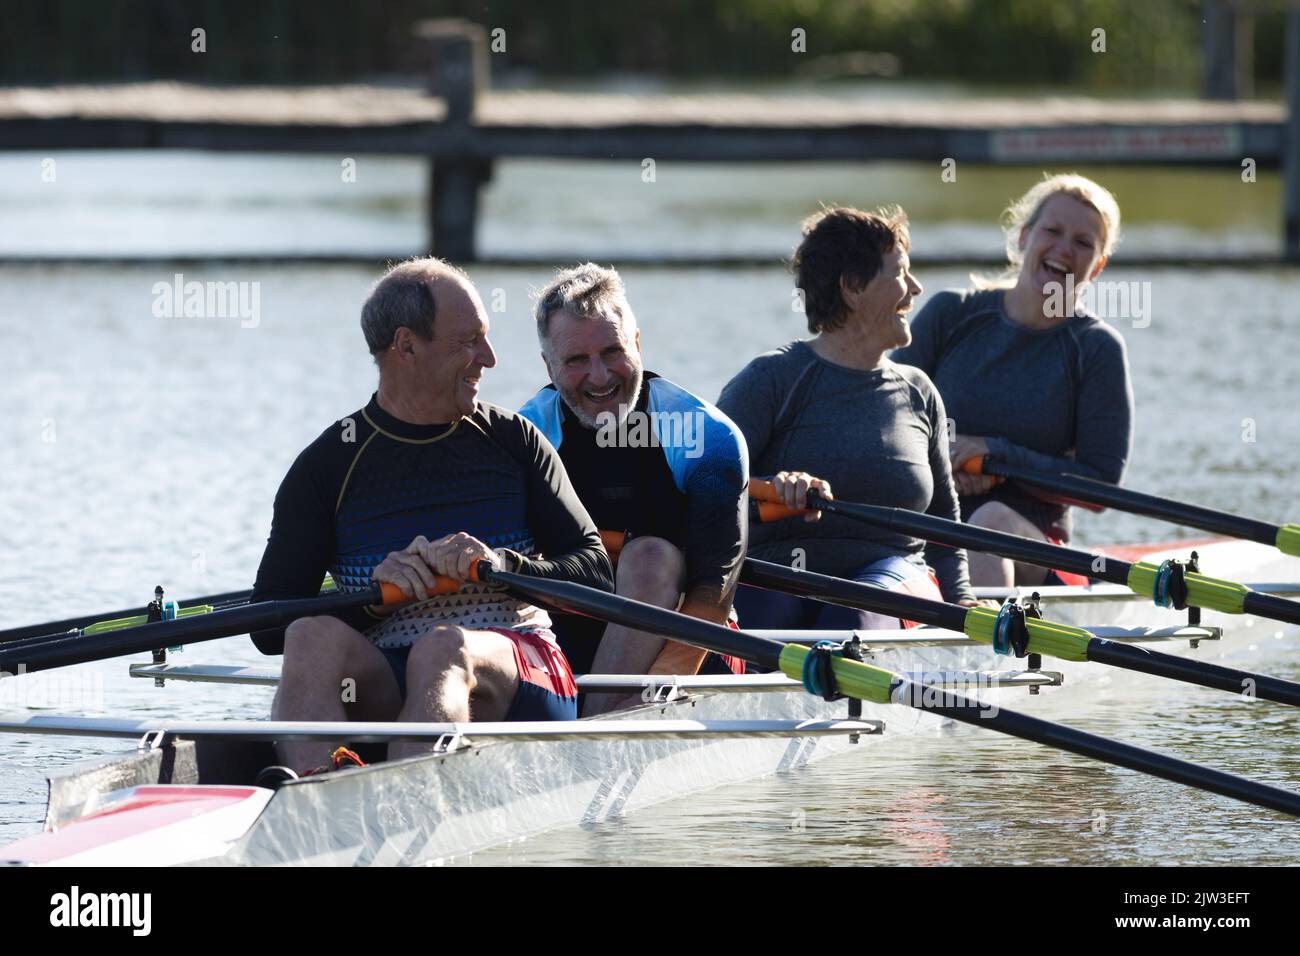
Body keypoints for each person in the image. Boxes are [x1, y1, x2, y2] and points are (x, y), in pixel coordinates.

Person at [249, 258, 613, 774]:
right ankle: (315, 792)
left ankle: (405, 805)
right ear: (406, 346)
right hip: (391, 687)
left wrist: (504, 566)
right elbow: (269, 624)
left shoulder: (514, 442)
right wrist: (371, 605)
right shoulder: (327, 466)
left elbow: (597, 574)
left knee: (440, 650)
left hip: (522, 672)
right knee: (310, 637)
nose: (489, 358)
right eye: (469, 341)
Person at [717, 206, 977, 629]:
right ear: (853, 287)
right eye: (900, 273)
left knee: (847, 618)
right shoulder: (771, 380)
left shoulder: (919, 391)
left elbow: (945, 525)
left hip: (894, 574)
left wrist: (964, 600)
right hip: (781, 571)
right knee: (764, 618)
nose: (915, 288)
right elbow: (703, 495)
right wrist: (774, 488)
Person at [519, 264, 749, 714]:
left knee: (651, 557)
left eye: (613, 352)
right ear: (548, 365)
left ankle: (592, 723)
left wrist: (662, 682)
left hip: (692, 638)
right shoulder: (525, 435)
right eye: (577, 360)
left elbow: (714, 590)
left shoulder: (704, 435)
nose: (601, 377)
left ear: (637, 344)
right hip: (567, 635)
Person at [892, 173, 1134, 586]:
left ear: (1097, 267)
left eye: (1082, 243)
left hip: (1032, 544)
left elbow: (1101, 485)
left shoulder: (1096, 348)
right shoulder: (952, 314)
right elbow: (889, 416)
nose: (1063, 249)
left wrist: (997, 461)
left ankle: (991, 647)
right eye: (1052, 231)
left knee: (989, 521)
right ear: (1024, 237)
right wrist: (943, 460)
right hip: (932, 521)